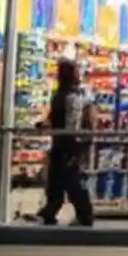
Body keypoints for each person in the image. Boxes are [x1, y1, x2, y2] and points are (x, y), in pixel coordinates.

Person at [37, 59, 95, 227]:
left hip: (67, 143)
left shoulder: (69, 95)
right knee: (61, 179)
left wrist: (71, 142)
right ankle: (51, 210)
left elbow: (71, 122)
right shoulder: (73, 94)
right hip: (68, 142)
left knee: (70, 180)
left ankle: (83, 215)